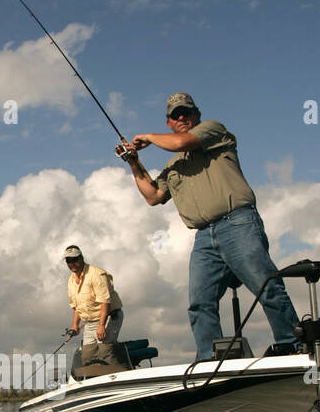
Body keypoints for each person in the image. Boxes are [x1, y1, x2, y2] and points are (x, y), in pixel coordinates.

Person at [118, 93, 299, 360]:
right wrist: (132, 160)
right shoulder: (174, 165)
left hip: (238, 222)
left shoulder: (214, 130)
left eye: (186, 112)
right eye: (176, 115)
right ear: (169, 121)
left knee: (265, 284)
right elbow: (153, 196)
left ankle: (292, 342)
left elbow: (182, 142)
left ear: (197, 116)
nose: (182, 118)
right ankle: (209, 358)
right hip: (204, 237)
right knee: (199, 302)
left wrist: (148, 137)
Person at [63, 245, 124, 364]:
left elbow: (105, 302)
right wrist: (75, 326)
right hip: (90, 322)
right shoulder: (71, 281)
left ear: (81, 258)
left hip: (109, 317)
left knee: (104, 351)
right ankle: (92, 377)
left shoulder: (96, 274)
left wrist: (101, 326)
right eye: (68, 261)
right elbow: (77, 308)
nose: (72, 264)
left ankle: (116, 373)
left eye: (74, 259)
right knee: (87, 355)